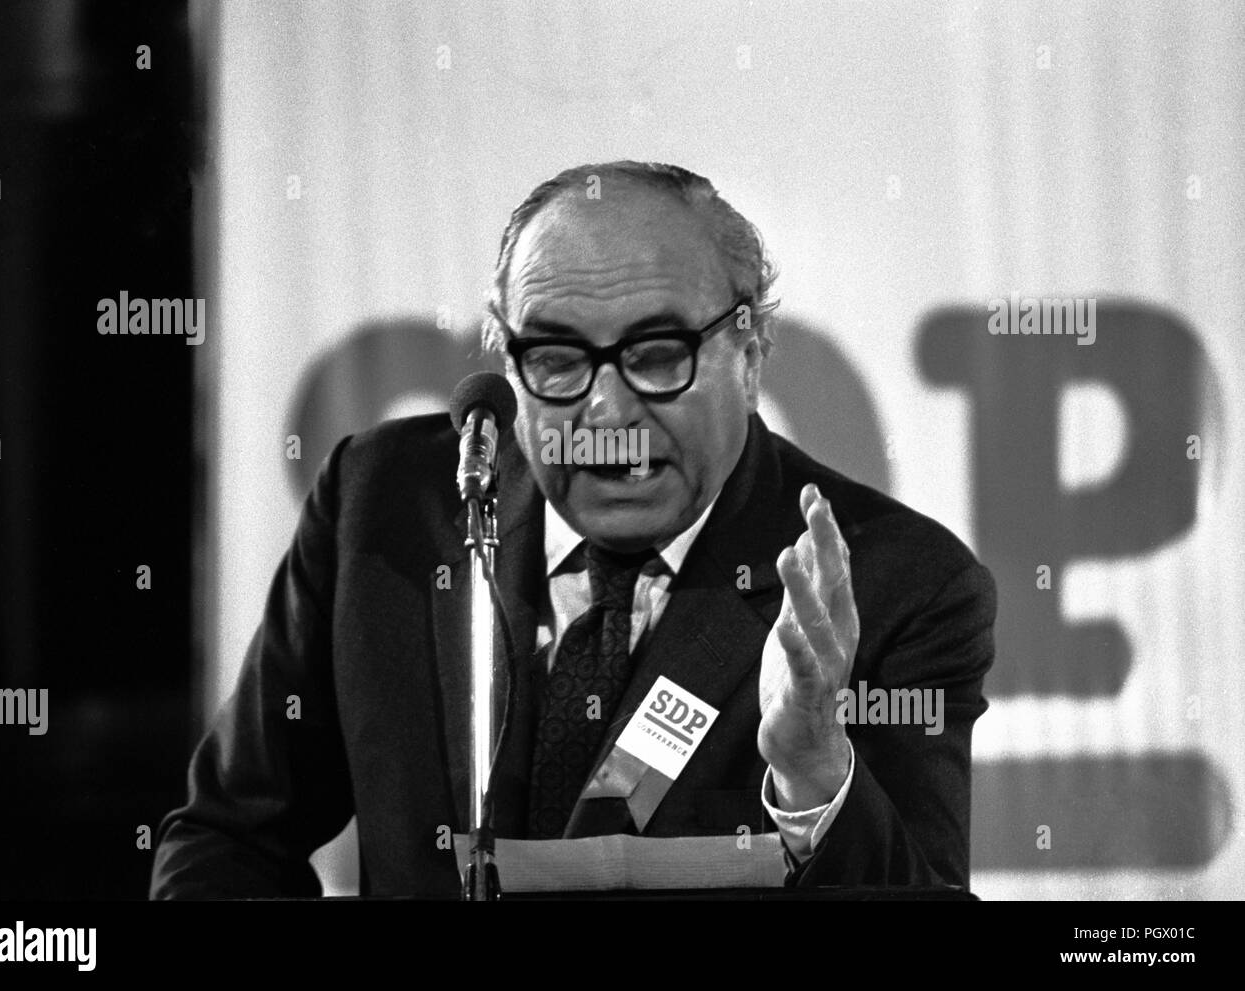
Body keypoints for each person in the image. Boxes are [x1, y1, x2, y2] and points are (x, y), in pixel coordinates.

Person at [150, 161, 996, 899]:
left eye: (658, 353)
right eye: (556, 358)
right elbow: (230, 839)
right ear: (504, 354)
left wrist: (817, 779)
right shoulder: (383, 512)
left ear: (752, 351)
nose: (607, 409)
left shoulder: (897, 583)